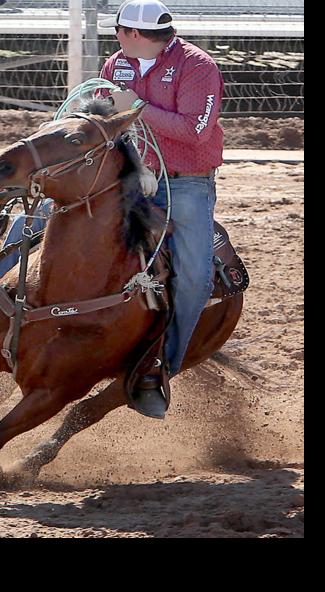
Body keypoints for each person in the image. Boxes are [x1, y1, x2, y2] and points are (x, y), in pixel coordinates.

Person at [101, 0, 224, 418]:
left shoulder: (196, 66)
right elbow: (100, 117)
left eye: (118, 29)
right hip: (132, 176)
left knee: (195, 277)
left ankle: (162, 364)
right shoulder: (115, 64)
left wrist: (134, 107)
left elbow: (195, 130)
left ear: (134, 33)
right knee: (45, 216)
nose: (115, 37)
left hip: (185, 182)